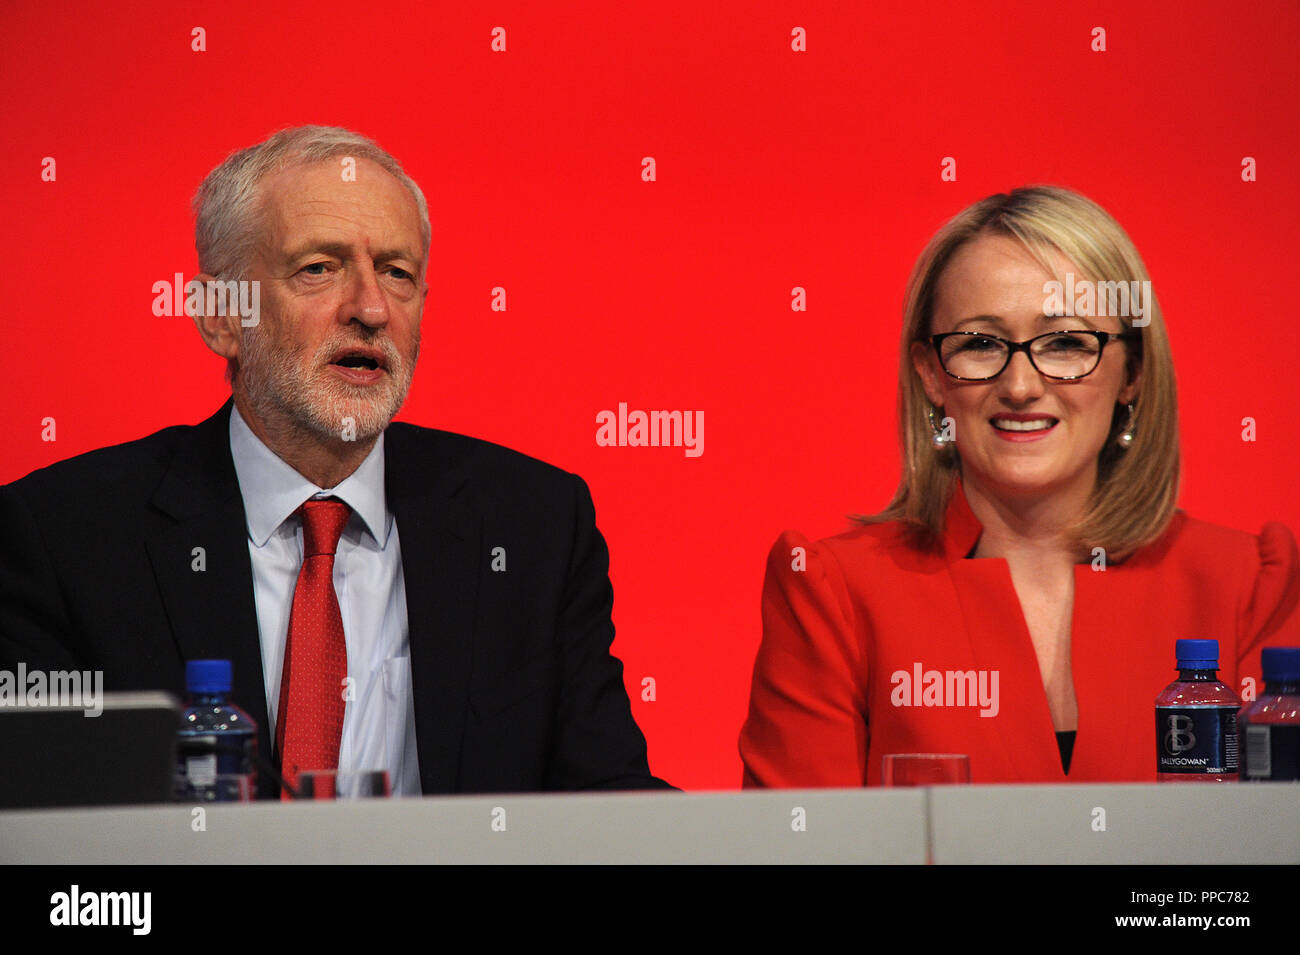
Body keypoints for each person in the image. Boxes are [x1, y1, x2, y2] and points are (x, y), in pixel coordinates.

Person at [0, 125, 671, 798]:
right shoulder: (65, 539)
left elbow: (611, 803)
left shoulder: (532, 529)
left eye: (397, 273)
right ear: (219, 315)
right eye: (318, 268)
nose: (371, 308)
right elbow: (40, 822)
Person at [739, 186, 1300, 786]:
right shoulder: (836, 594)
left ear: (1132, 372)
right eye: (980, 345)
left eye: (1065, 343)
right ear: (931, 374)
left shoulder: (1246, 584)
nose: (1021, 386)